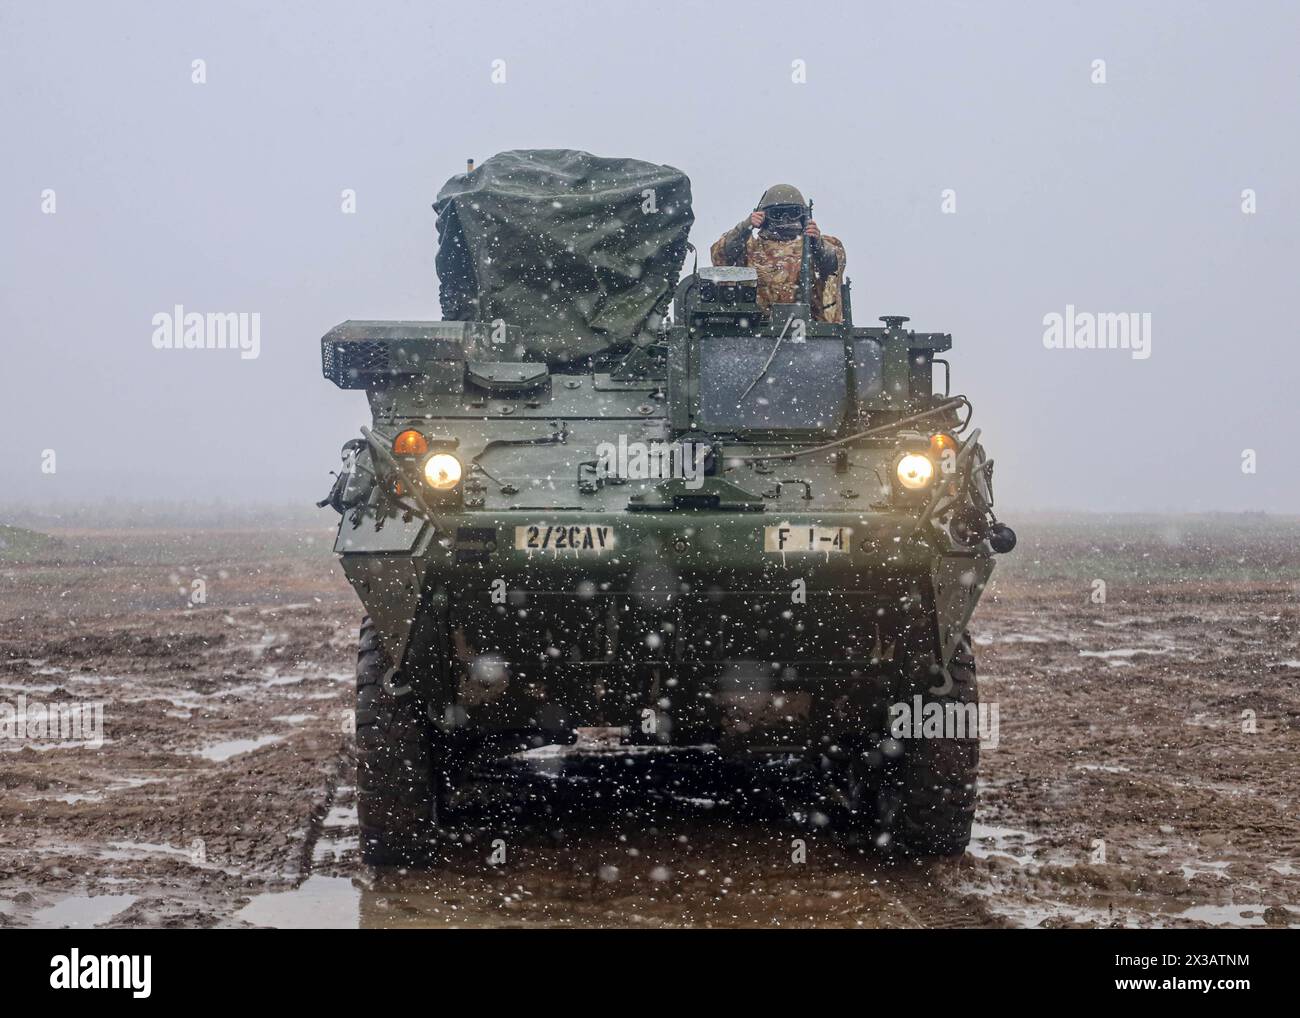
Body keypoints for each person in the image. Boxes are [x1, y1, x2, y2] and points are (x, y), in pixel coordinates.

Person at [709, 184, 847, 323]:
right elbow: (720, 255)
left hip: (811, 332)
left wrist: (817, 244)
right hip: (757, 331)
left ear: (803, 216)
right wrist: (745, 227)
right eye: (777, 214)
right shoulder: (750, 248)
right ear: (764, 216)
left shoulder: (815, 247)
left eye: (793, 213)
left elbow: (833, 264)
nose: (785, 219)